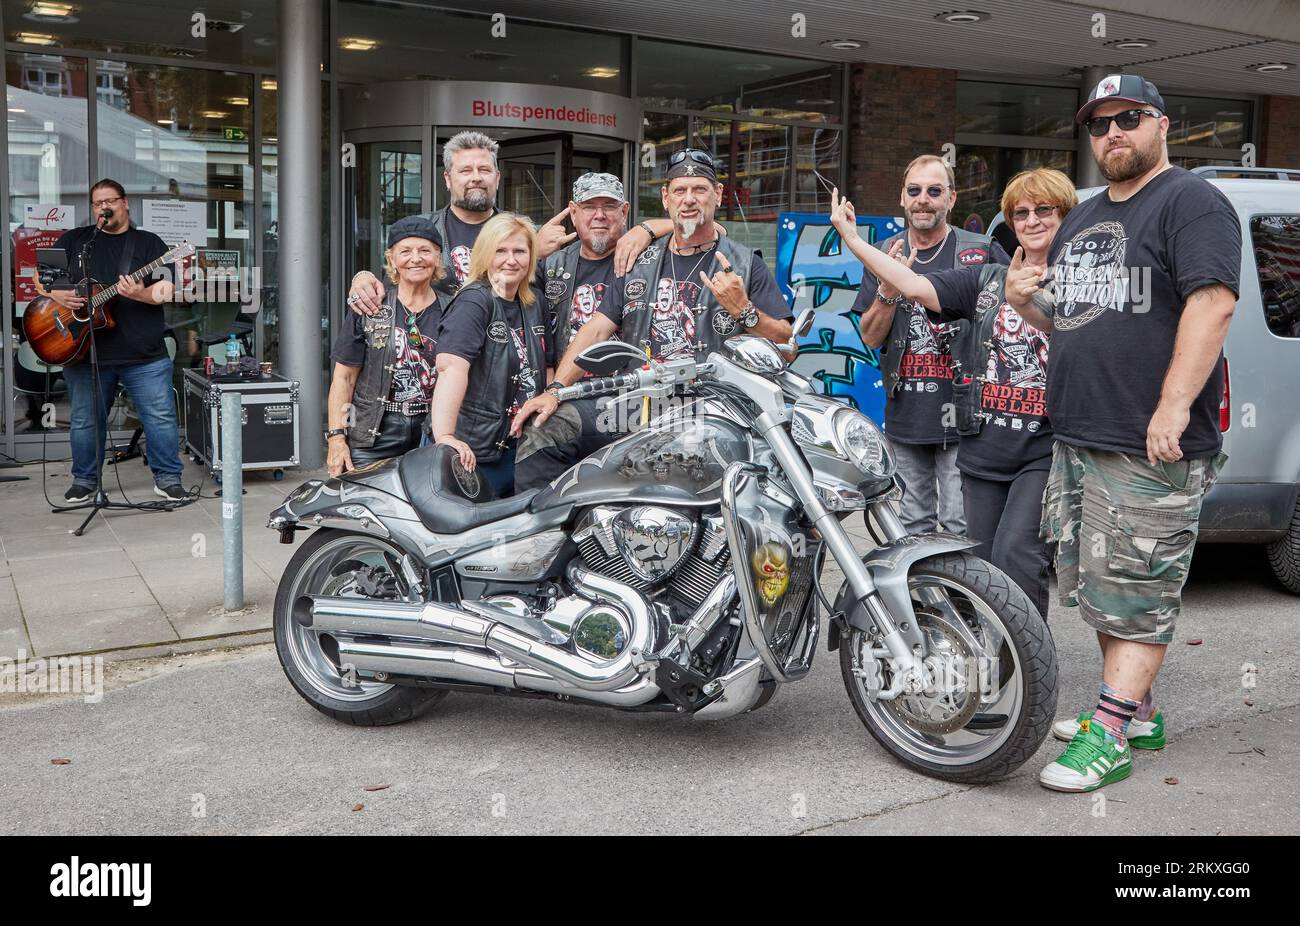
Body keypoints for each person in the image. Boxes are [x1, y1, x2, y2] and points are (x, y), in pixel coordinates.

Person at [1005, 75, 1240, 792]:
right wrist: (1027, 303)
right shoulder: (1083, 217)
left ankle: (1108, 734)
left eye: (1128, 119)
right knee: (1104, 587)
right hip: (1081, 436)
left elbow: (1212, 302)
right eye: (1099, 123)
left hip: (1149, 442)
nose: (1112, 134)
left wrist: (1172, 406)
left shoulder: (1190, 201)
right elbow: (1071, 318)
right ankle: (1138, 711)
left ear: (1161, 125)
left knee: (1140, 585)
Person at [831, 169, 1077, 620]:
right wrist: (851, 237)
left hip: (1044, 446)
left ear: (1065, 217)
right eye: (1021, 212)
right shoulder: (986, 278)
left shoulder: (1084, 286)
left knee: (1018, 559)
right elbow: (912, 286)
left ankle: (1020, 671)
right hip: (984, 447)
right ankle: (980, 654)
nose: (1033, 220)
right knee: (978, 566)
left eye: (1045, 210)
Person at [510, 149, 793, 453]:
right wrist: (555, 391)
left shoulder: (745, 264)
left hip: (712, 411)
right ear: (665, 198)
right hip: (636, 409)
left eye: (699, 189)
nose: (689, 199)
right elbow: (595, 331)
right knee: (546, 427)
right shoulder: (637, 263)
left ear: (718, 194)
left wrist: (744, 311)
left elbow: (787, 348)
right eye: (680, 191)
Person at [347, 131, 678, 315]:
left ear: (497, 177)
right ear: (448, 179)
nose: (476, 178)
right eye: (465, 171)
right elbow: (390, 281)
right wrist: (362, 277)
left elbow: (603, 237)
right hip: (436, 365)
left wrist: (646, 228)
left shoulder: (530, 235)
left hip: (504, 368)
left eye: (484, 170)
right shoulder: (424, 231)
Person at [855, 155, 1011, 535]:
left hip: (967, 416)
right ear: (903, 199)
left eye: (934, 191)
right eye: (915, 191)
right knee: (912, 528)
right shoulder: (882, 254)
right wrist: (889, 290)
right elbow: (870, 336)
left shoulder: (981, 250)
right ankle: (920, 597)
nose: (923, 199)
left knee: (961, 526)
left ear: (952, 199)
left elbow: (1016, 322)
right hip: (907, 414)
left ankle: (959, 597)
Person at [46, 178, 182, 502]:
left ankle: (168, 478)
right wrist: (56, 295)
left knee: (159, 417)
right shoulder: (76, 240)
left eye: (110, 200)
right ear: (93, 208)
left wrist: (142, 293)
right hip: (84, 351)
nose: (104, 207)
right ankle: (85, 480)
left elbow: (167, 290)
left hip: (143, 352)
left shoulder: (149, 243)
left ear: (124, 203)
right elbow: (42, 277)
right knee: (84, 420)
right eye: (97, 203)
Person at [513, 172, 630, 492]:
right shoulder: (550, 264)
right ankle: (537, 537)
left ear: (625, 212)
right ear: (573, 212)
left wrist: (650, 229)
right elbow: (490, 290)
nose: (600, 215)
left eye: (609, 206)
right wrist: (533, 249)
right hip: (559, 394)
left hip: (625, 398)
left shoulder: (641, 258)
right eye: (589, 206)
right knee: (539, 436)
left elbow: (702, 232)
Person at [431, 213, 549, 497]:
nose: (511, 260)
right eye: (501, 251)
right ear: (485, 254)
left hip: (519, 446)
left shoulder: (533, 302)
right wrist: (446, 437)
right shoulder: (475, 300)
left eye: (520, 251)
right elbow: (450, 368)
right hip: (473, 450)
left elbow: (548, 365)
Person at [326, 216, 446, 476]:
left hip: (432, 431)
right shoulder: (368, 306)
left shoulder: (454, 308)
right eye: (406, 251)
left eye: (425, 250)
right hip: (372, 432)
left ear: (437, 257)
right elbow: (344, 378)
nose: (416, 258)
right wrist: (337, 438)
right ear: (391, 259)